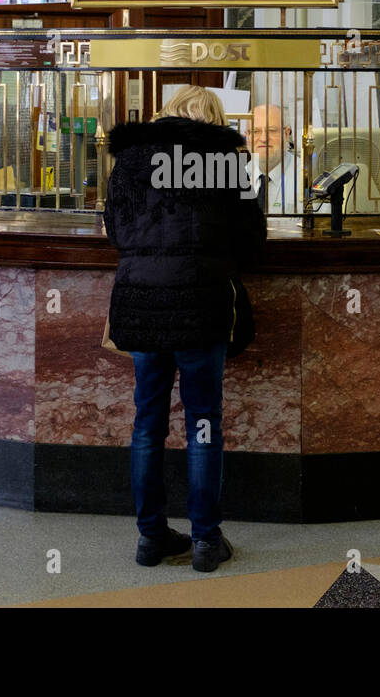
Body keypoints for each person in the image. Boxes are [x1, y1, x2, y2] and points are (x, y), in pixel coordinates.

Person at [103, 86, 265, 572]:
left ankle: (151, 537)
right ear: (215, 119)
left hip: (141, 303)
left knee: (147, 423)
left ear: (164, 114)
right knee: (202, 424)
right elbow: (251, 240)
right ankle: (204, 541)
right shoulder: (228, 161)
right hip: (201, 303)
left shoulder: (130, 159)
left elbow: (115, 228)